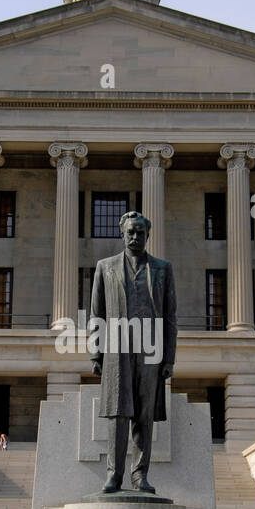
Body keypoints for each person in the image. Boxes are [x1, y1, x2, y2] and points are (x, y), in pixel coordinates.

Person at [89, 210, 177, 493]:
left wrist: (168, 358)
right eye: (130, 231)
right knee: (118, 413)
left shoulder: (162, 268)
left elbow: (170, 317)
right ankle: (114, 475)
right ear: (122, 233)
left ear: (147, 234)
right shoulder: (106, 266)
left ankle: (140, 475)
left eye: (140, 231)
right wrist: (96, 353)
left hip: (150, 348)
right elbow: (96, 313)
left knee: (144, 414)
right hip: (117, 348)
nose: (135, 236)